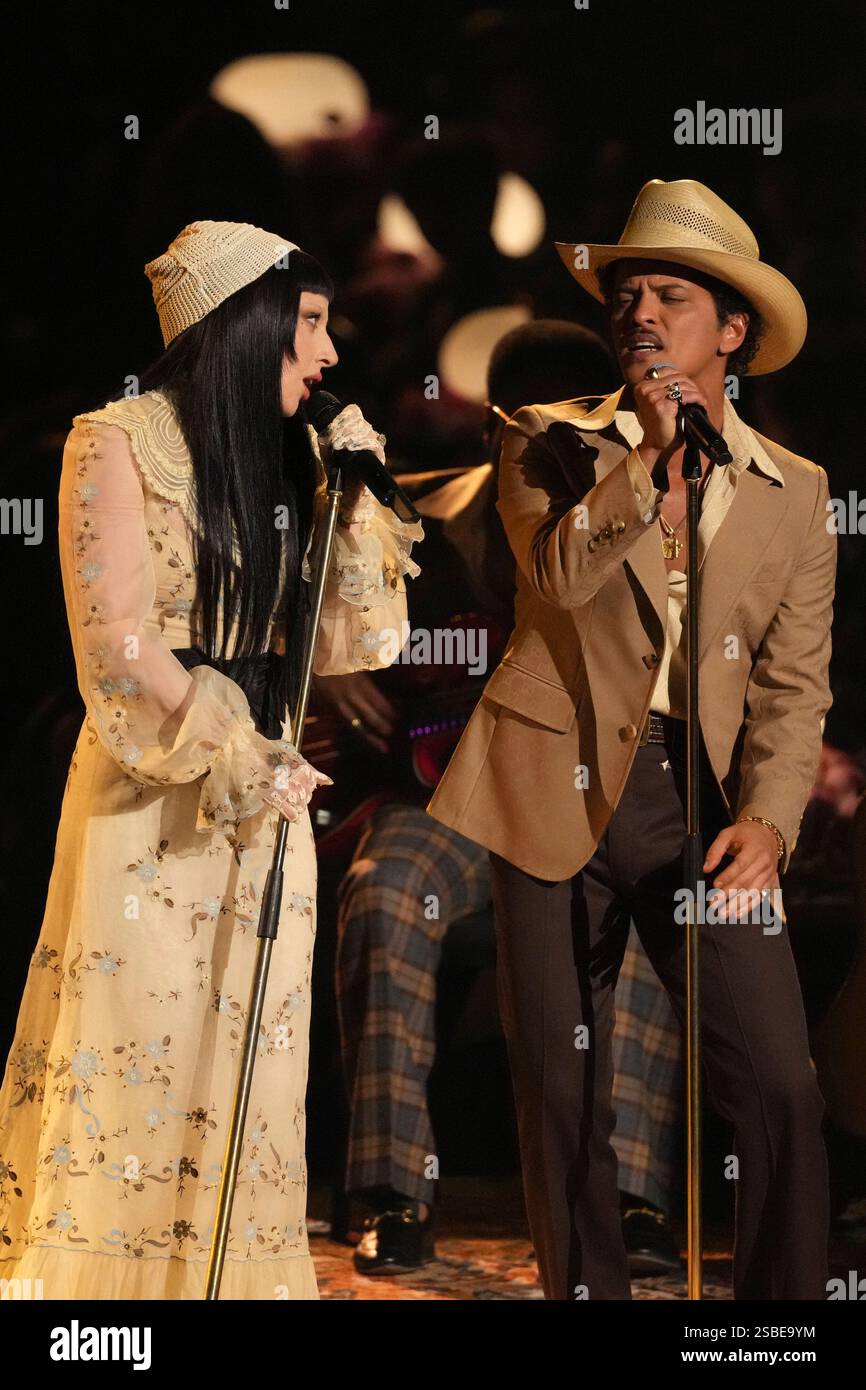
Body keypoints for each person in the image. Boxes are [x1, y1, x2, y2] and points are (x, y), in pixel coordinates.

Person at [426, 179, 837, 1300]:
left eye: (670, 296)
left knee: (779, 1084)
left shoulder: (792, 493)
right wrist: (646, 466)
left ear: (732, 329)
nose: (641, 315)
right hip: (552, 781)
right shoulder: (543, 443)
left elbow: (794, 688)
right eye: (628, 297)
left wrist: (766, 820)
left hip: (695, 800)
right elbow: (555, 577)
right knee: (561, 1086)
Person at [0, 219, 423, 1300]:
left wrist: (357, 496)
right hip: (158, 787)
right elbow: (119, 640)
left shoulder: (292, 456)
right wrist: (237, 745)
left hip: (264, 796)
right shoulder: (116, 440)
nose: (328, 357)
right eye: (311, 326)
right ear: (247, 325)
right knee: (139, 1048)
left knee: (246, 1063)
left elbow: (360, 643)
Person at [322, 320, 681, 1275]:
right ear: (496, 425)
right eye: (541, 419)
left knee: (642, 911)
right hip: (441, 797)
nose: (566, 437)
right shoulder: (411, 514)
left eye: (586, 416)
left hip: (577, 800)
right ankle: (392, 1194)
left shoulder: (649, 521)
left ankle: (634, 1202)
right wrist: (323, 666)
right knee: (386, 888)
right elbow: (304, 605)